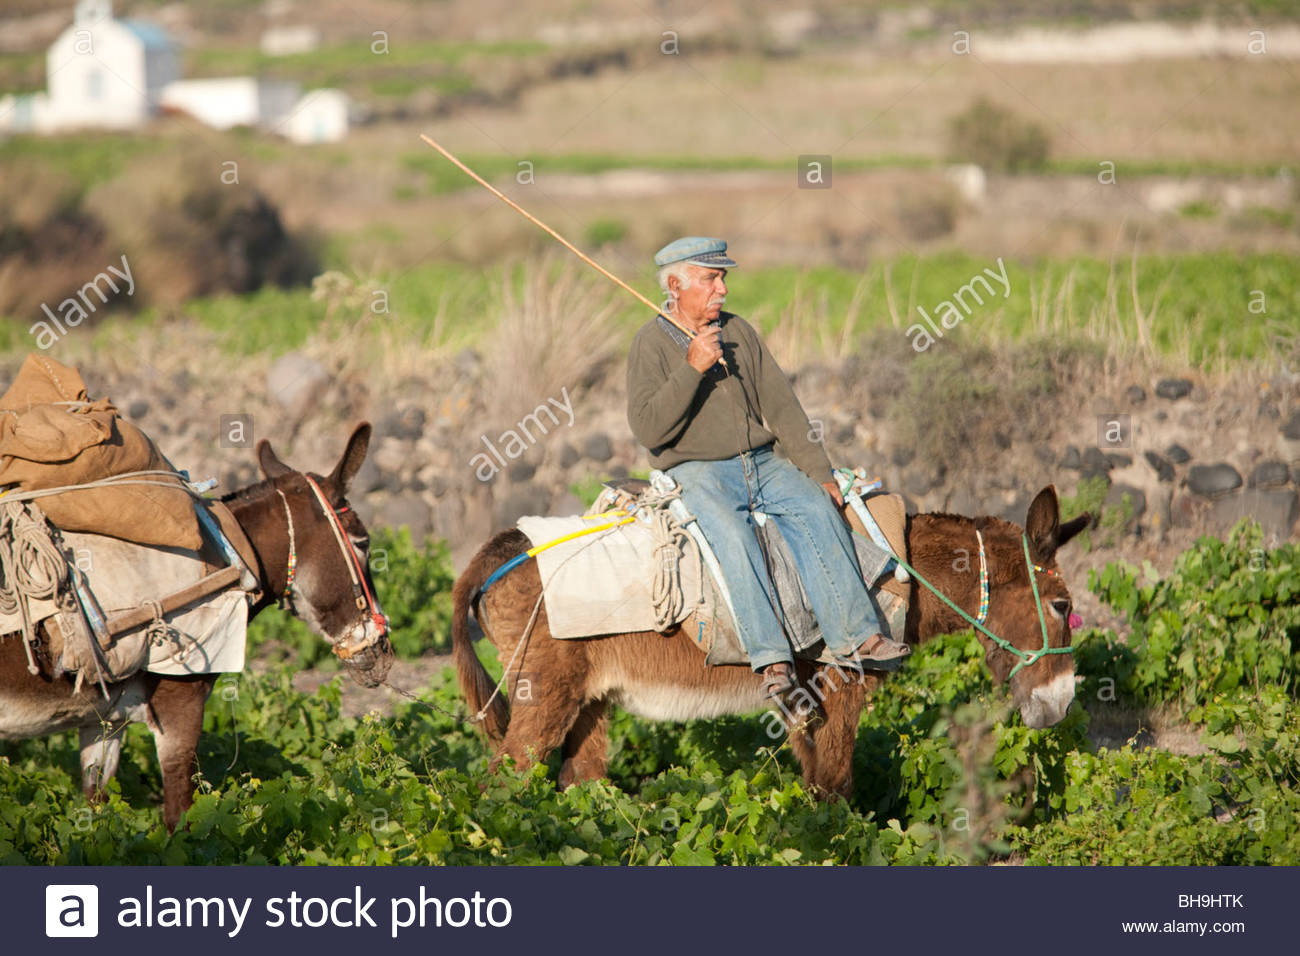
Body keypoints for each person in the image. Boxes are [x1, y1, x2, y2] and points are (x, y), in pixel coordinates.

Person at [626, 236, 909, 699]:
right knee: (733, 537)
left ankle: (859, 638)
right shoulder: (650, 343)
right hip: (697, 471)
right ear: (675, 285)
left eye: (723, 278)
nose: (722, 289)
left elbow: (783, 407)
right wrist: (692, 368)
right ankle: (773, 662)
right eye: (710, 278)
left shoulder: (738, 332)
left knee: (817, 509)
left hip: (761, 461)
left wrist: (820, 472)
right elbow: (650, 430)